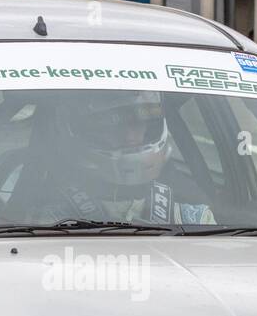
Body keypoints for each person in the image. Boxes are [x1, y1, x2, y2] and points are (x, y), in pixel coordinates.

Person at [44, 90, 215, 225]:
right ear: (86, 131)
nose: (131, 138)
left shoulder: (194, 216)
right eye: (114, 124)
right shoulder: (45, 219)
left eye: (139, 122)